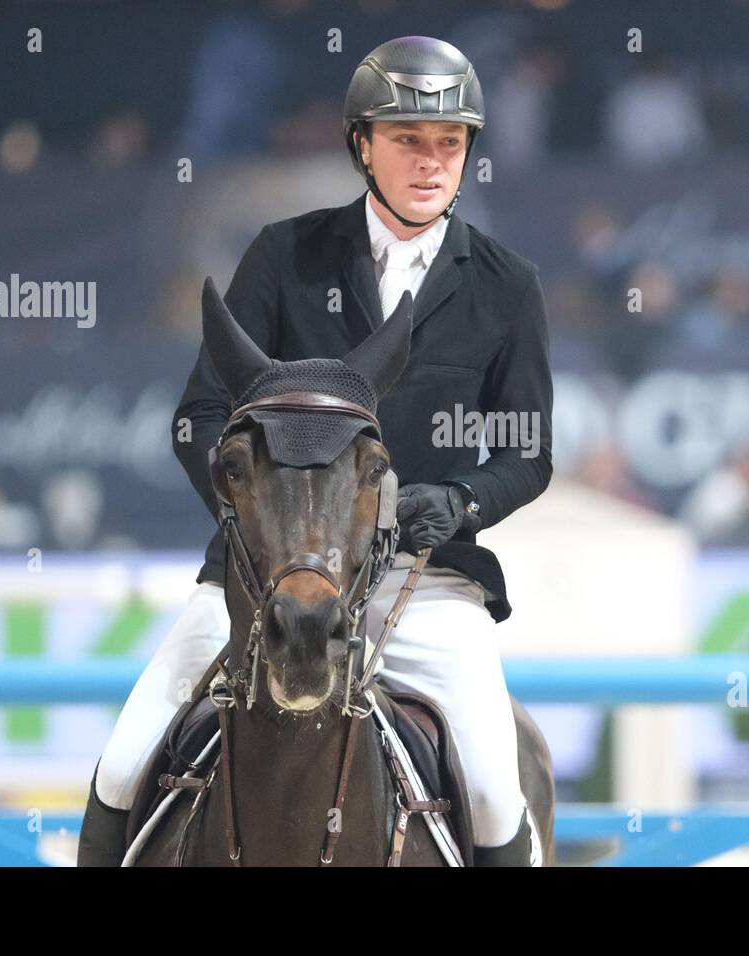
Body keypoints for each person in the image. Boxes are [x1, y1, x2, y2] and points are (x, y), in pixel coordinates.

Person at [78, 35, 553, 866]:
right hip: (270, 580)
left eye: (449, 143)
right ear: (363, 146)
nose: (432, 162)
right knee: (122, 762)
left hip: (422, 583)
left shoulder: (505, 285)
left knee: (489, 786)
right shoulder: (284, 256)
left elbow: (531, 448)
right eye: (409, 140)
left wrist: (467, 501)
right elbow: (200, 417)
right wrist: (259, 528)